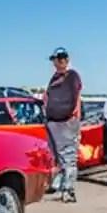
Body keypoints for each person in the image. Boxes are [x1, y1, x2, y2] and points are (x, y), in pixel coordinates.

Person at [43, 47, 83, 203]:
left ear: (64, 60)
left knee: (68, 157)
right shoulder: (55, 77)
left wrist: (70, 116)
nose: (55, 63)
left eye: (57, 60)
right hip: (54, 121)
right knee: (58, 157)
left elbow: (75, 98)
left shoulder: (72, 76)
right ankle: (60, 186)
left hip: (66, 122)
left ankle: (69, 189)